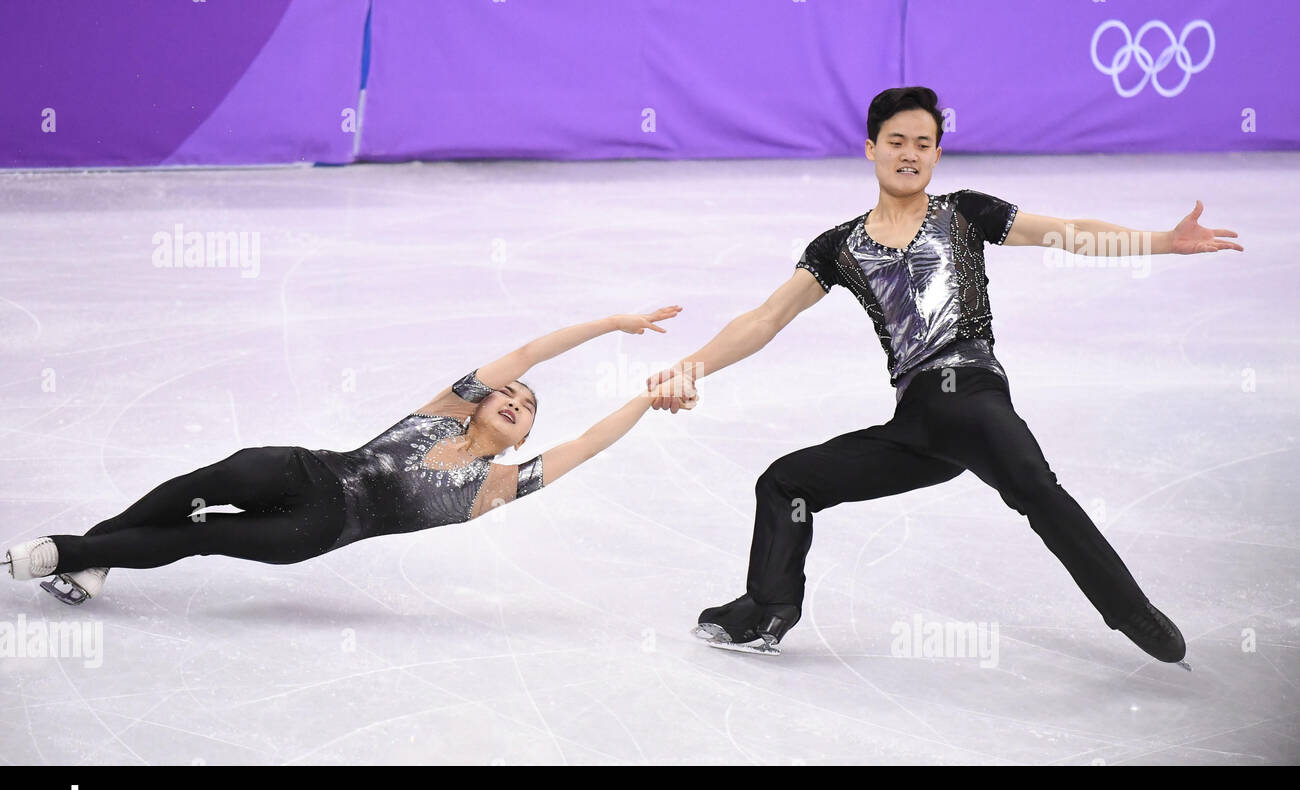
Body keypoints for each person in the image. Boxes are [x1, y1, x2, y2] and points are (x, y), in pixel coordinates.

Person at [647, 86, 1242, 665]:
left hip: (973, 398)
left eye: (923, 143)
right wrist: (689, 368)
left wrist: (1164, 241)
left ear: (937, 153)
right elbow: (766, 317)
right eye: (896, 141)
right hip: (920, 429)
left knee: (1036, 490)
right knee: (787, 484)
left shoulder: (963, 212)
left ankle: (1132, 611)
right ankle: (769, 606)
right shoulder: (839, 247)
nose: (909, 153)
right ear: (871, 149)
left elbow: (1064, 232)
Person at [5, 306, 695, 604]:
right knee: (198, 483)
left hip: (315, 530)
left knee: (198, 533)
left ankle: (65, 553)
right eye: (506, 394)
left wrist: (646, 398)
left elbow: (588, 443)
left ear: (521, 435)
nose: (516, 399)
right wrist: (612, 323)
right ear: (479, 403)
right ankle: (88, 550)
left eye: (529, 407)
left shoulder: (498, 485)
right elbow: (528, 352)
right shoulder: (441, 409)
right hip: (303, 469)